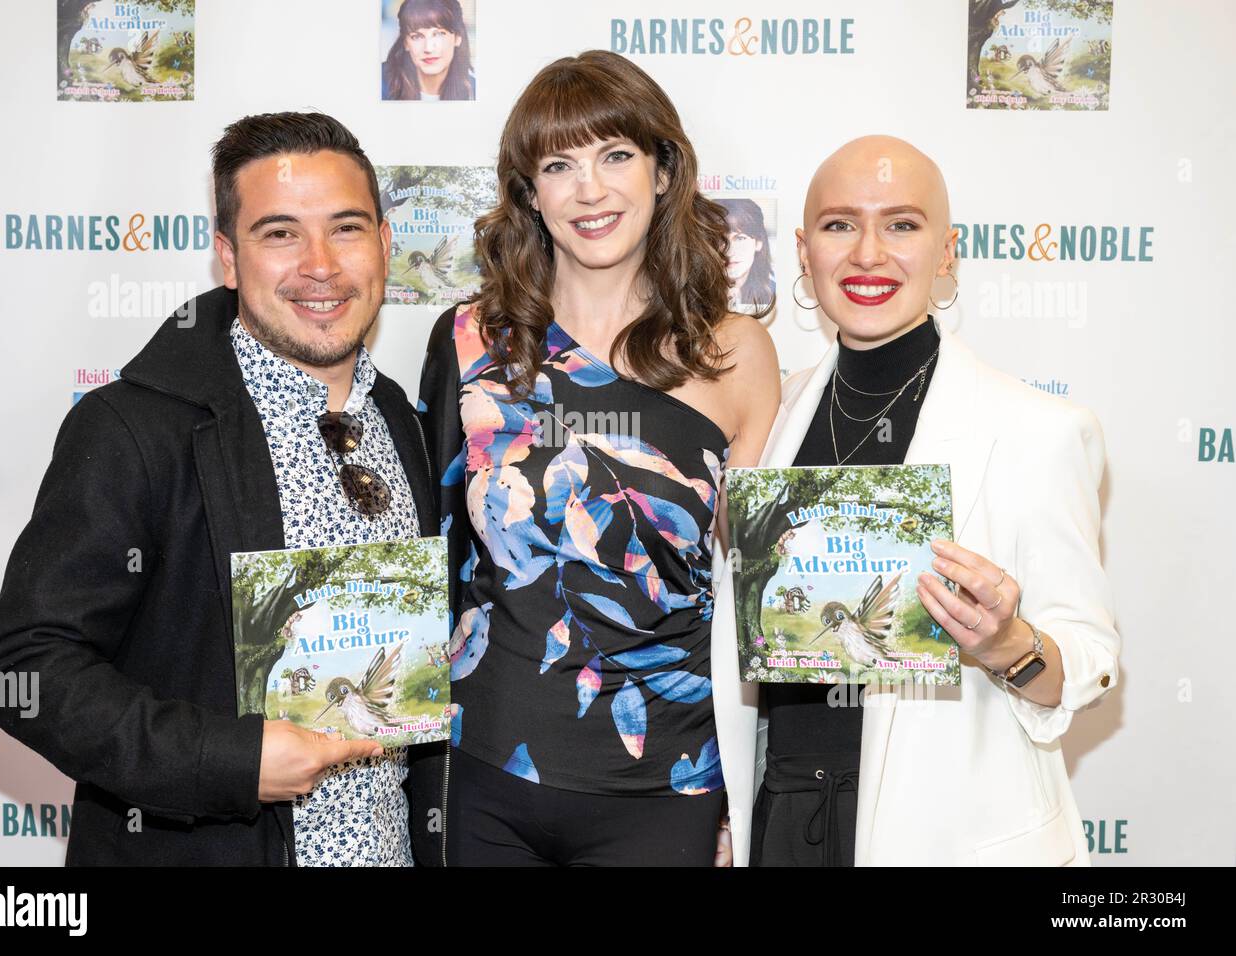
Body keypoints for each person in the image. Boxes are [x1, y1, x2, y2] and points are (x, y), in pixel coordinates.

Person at [0, 111, 439, 866]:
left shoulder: (401, 420)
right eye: (280, 233)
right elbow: (21, 667)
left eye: (346, 229)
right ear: (227, 256)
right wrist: (229, 759)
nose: (320, 264)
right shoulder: (134, 426)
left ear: (385, 246)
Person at [712, 135, 1120, 866]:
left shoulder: (1038, 430)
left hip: (950, 836)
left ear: (948, 251)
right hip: (785, 820)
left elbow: (1088, 661)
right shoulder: (771, 417)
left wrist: (1007, 644)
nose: (868, 253)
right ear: (805, 252)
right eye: (840, 225)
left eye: (902, 224)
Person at [415, 50, 779, 866]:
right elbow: (430, 558)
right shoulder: (471, 339)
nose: (590, 189)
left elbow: (748, 588)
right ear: (529, 193)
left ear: (662, 171)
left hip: (666, 785)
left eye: (617, 155)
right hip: (487, 777)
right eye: (559, 164)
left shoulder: (735, 351)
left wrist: (740, 806)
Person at [381, 0, 475, 101]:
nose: (428, 48)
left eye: (439, 34)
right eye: (417, 36)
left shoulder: (475, 91)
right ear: (406, 43)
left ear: (457, 38)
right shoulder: (379, 84)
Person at [717, 198, 776, 314]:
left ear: (758, 242)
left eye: (740, 238)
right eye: (721, 240)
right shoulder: (695, 295)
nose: (729, 251)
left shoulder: (772, 290)